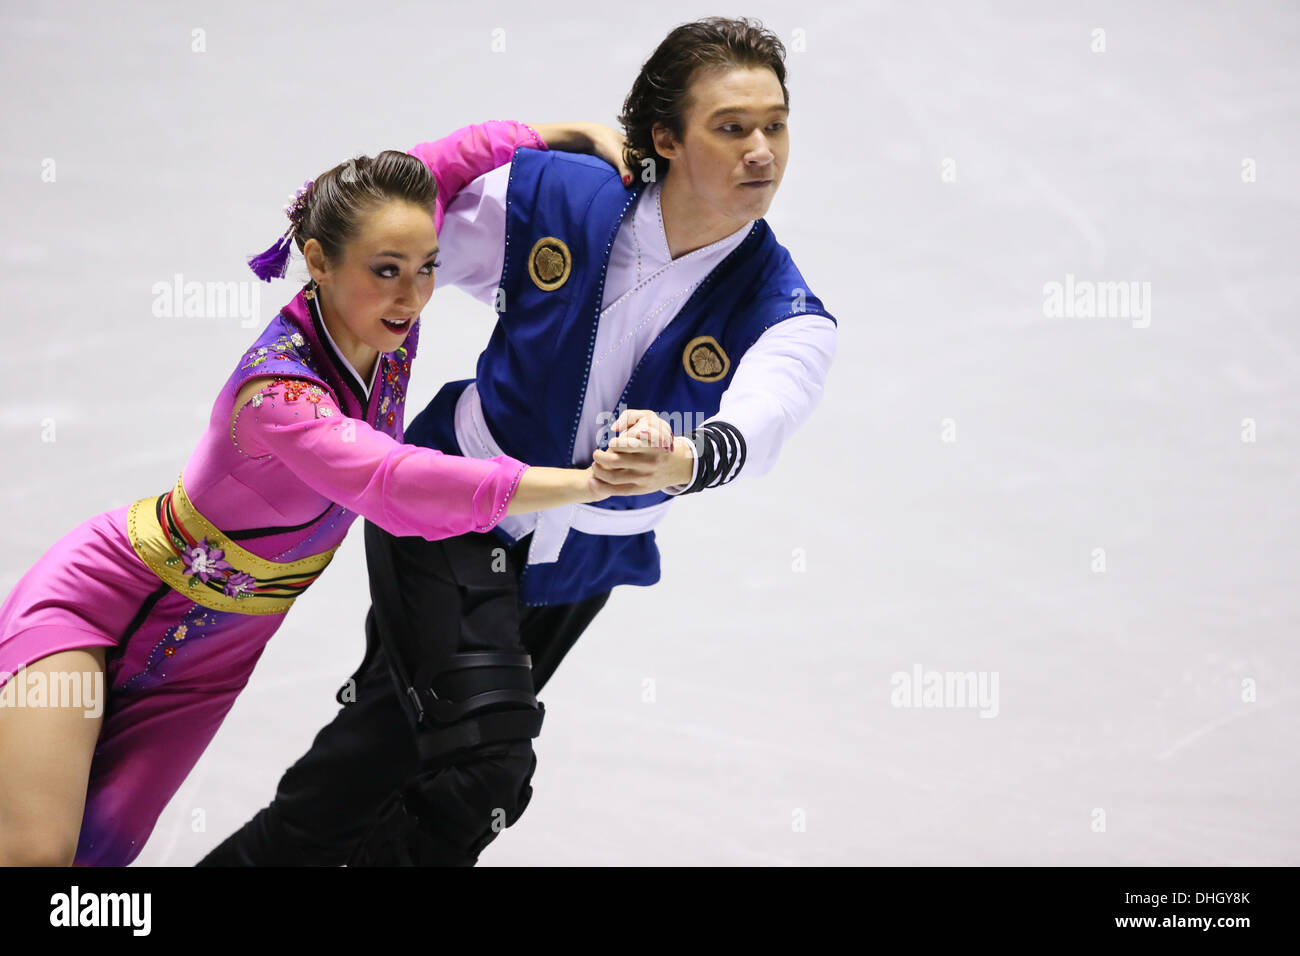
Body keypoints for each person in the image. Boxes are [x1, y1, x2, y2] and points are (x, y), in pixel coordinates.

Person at [199, 16, 838, 867]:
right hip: (448, 509)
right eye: (731, 128)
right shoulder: (558, 200)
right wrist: (534, 137)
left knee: (381, 767)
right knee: (484, 772)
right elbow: (366, 209)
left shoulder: (783, 307)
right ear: (664, 138)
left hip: (578, 567)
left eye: (775, 124)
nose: (762, 150)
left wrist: (680, 457)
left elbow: (766, 417)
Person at [0, 119, 635, 867]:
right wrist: (587, 483)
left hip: (212, 657)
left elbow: (435, 167)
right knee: (39, 855)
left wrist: (562, 131)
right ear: (318, 261)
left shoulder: (378, 306)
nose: (413, 294)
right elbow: (396, 485)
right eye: (388, 270)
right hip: (105, 599)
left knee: (98, 860)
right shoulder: (280, 398)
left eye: (426, 267)